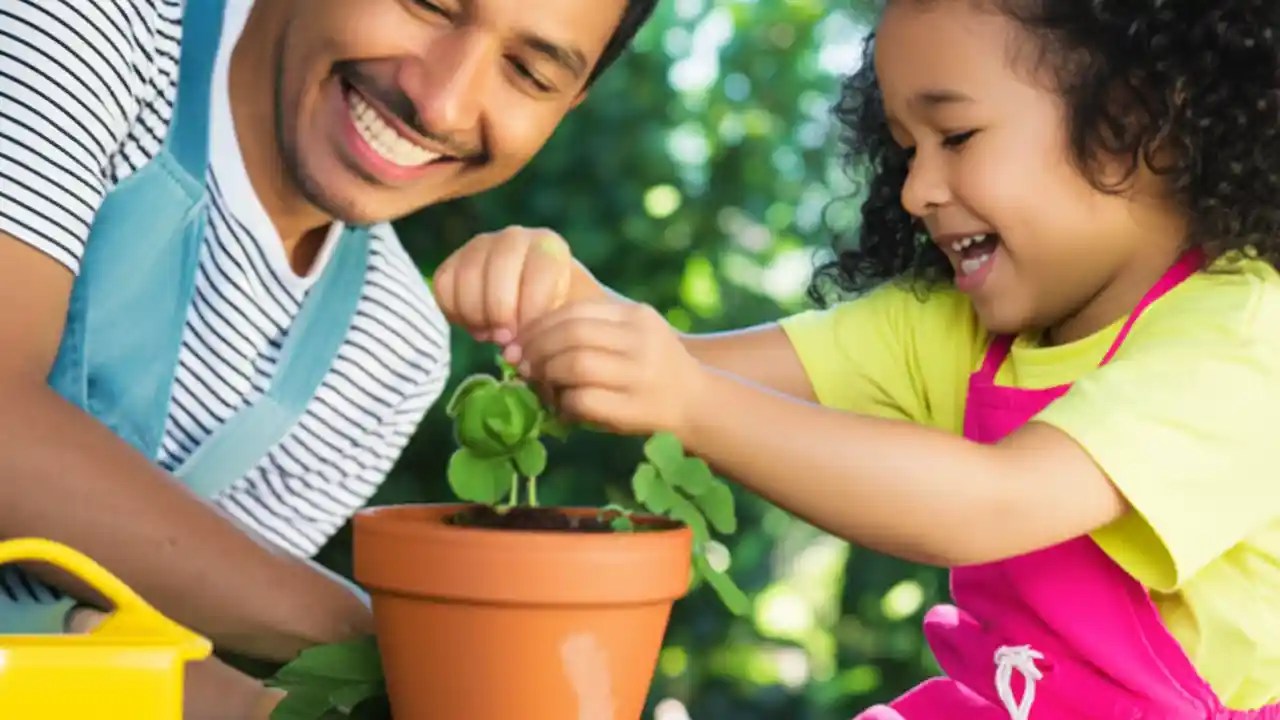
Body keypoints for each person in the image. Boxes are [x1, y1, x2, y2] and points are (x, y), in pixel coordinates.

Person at [434, 1, 1280, 717]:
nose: (916, 190)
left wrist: (685, 397)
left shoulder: (1243, 338)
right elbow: (691, 368)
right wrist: (556, 296)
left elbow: (996, 503)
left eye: (955, 134)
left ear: (1133, 125)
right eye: (909, 149)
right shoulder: (956, 330)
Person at [0, 0, 655, 715]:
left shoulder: (386, 350)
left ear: (573, 99)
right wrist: (409, 639)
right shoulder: (83, 29)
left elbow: (125, 648)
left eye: (527, 72)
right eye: (428, 5)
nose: (442, 101)